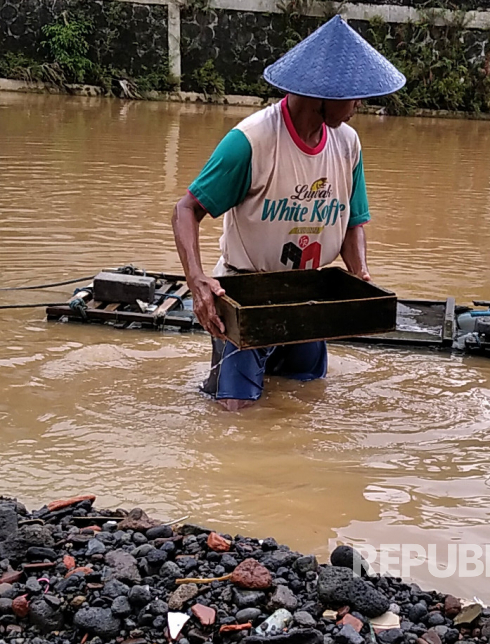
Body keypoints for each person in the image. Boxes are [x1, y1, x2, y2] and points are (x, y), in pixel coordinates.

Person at [171, 16, 405, 410]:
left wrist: (359, 272)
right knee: (235, 413)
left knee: (305, 400)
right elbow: (186, 209)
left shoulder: (348, 144)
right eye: (354, 96)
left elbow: (352, 222)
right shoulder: (252, 142)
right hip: (247, 297)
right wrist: (197, 282)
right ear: (322, 96)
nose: (359, 106)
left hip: (308, 299)